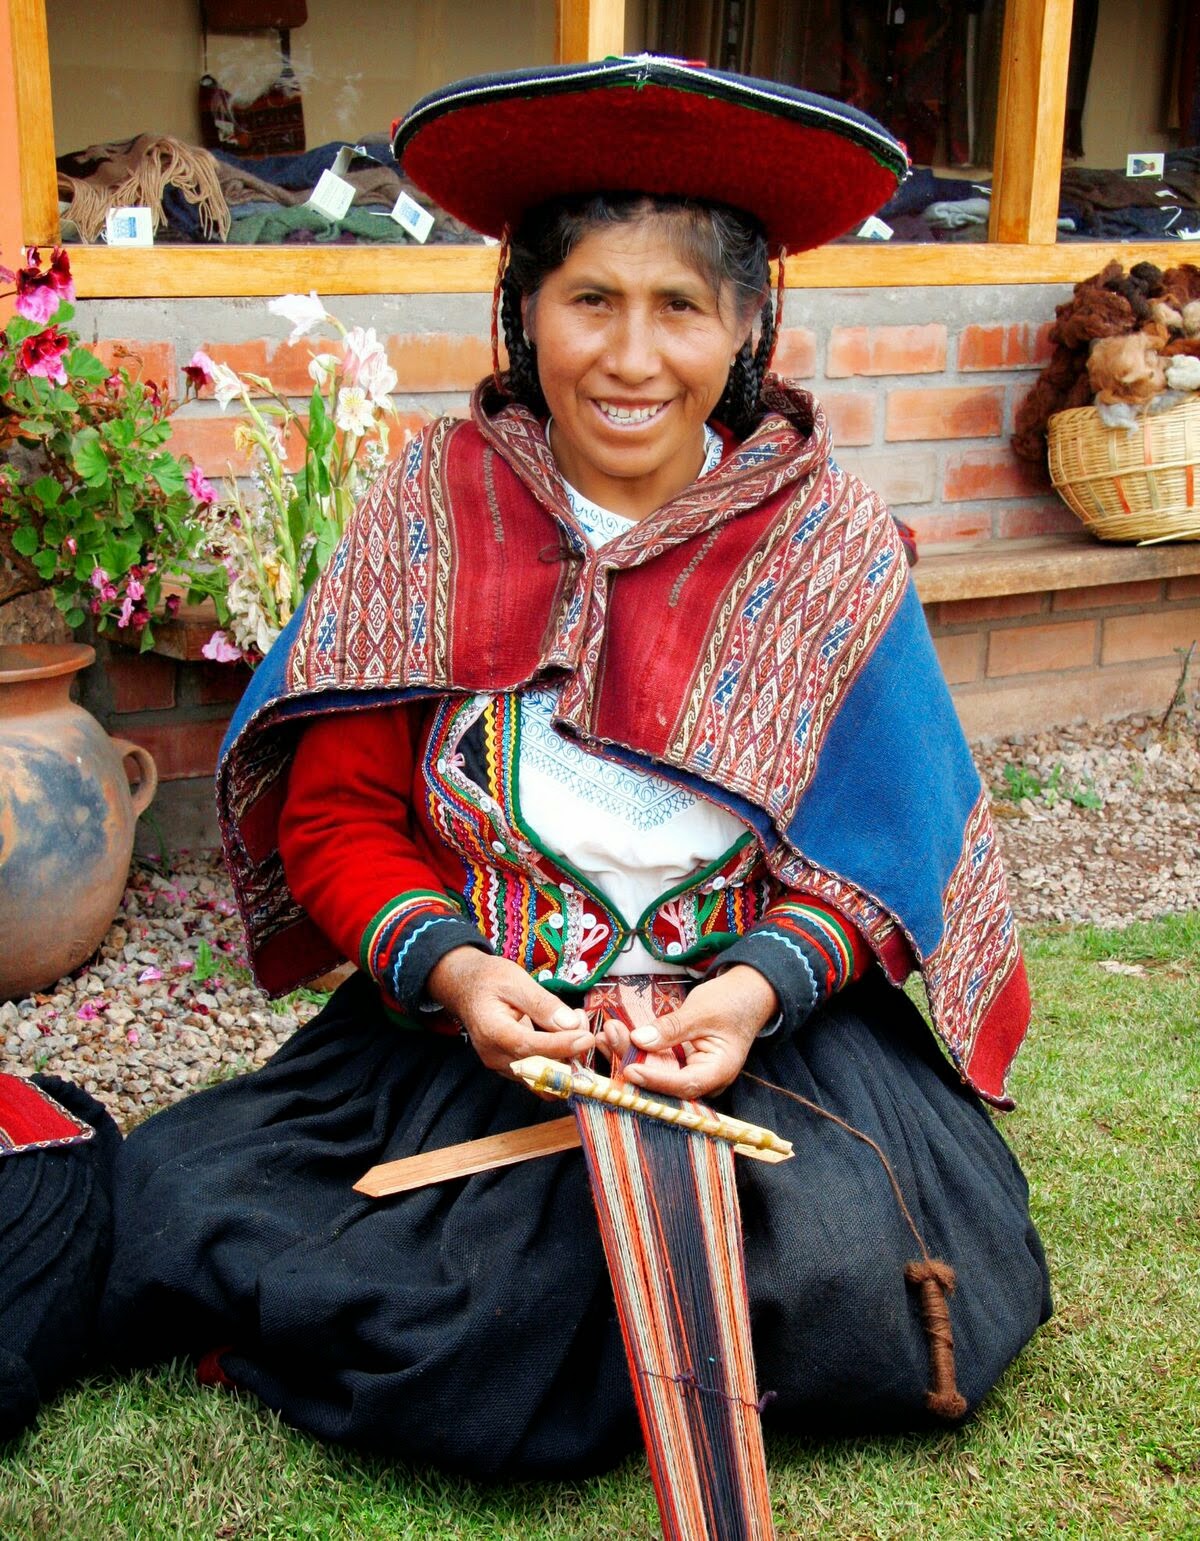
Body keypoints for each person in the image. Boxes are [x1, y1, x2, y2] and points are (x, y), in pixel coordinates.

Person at [99, 56, 1051, 1480]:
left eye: (680, 307)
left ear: (746, 326)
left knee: (888, 1269)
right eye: (590, 298)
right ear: (521, 309)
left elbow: (876, 853)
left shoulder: (826, 541)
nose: (629, 354)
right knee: (213, 1216)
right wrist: (463, 976)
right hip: (475, 1029)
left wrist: (746, 991)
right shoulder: (432, 509)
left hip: (747, 1038)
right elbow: (343, 809)